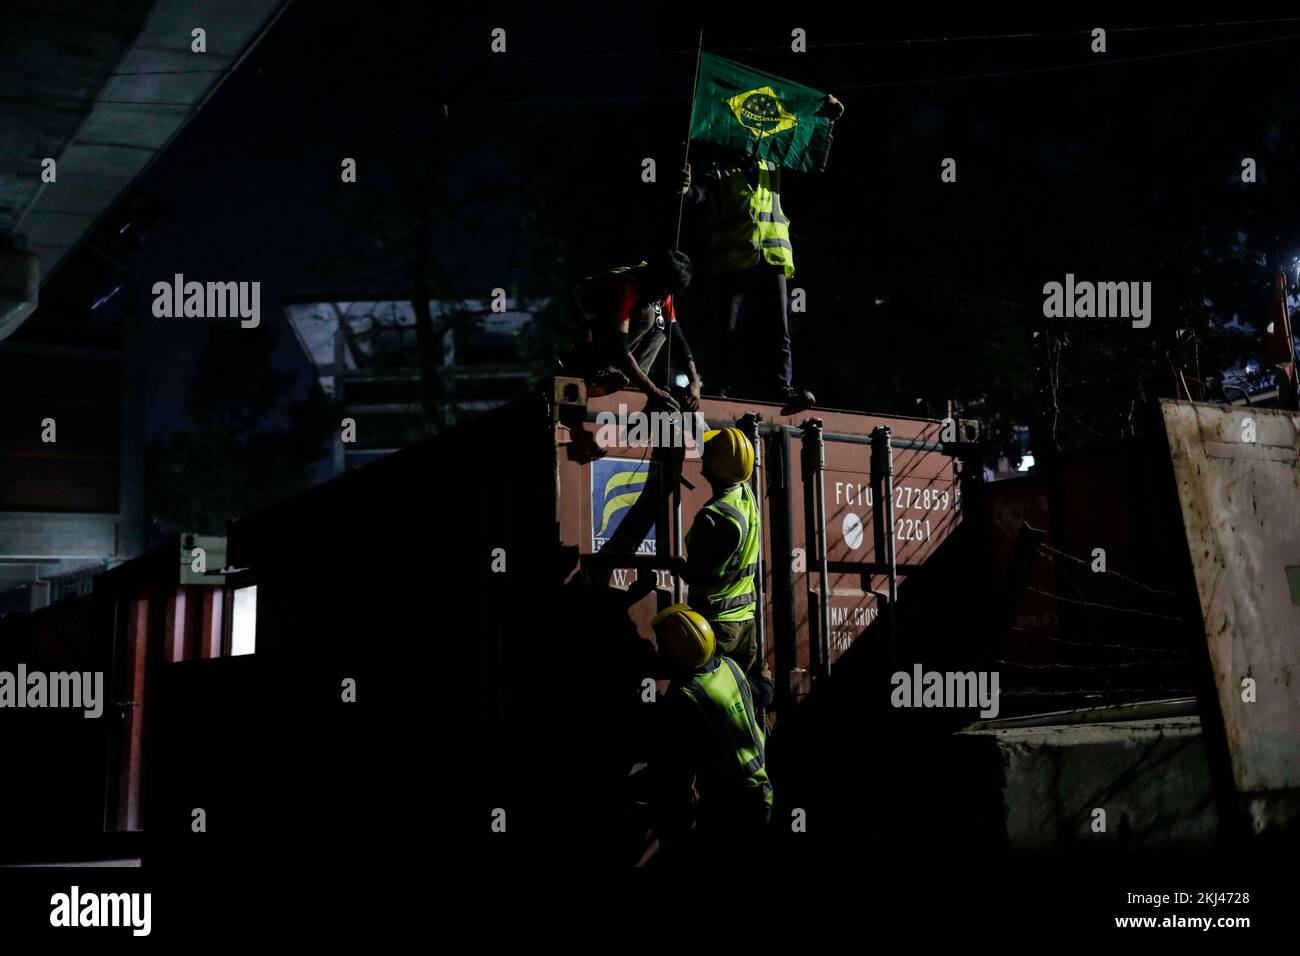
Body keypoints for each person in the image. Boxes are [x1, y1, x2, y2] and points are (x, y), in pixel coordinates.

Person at [680, 94, 845, 411]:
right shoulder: (719, 169)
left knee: (778, 329)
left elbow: (808, 153)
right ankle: (722, 389)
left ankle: (783, 388)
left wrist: (827, 120)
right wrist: (687, 189)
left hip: (772, 259)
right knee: (727, 329)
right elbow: (700, 194)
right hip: (734, 260)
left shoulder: (772, 164)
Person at [650, 604, 773, 859]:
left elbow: (678, 760)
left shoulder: (685, 694)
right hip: (763, 792)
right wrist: (766, 677)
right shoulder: (730, 667)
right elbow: (766, 694)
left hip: (726, 803)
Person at [573, 249, 701, 411]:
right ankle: (604, 370)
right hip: (588, 324)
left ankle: (634, 378)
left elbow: (677, 337)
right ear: (656, 280)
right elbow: (619, 347)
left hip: (612, 329)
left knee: (661, 324)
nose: (665, 296)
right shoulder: (626, 287)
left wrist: (695, 382)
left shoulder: (661, 293)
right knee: (647, 315)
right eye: (665, 290)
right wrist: (652, 391)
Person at [676, 427, 760, 673]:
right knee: (738, 692)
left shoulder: (712, 518)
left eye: (710, 453)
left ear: (714, 467)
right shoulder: (746, 496)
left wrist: (676, 565)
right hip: (745, 623)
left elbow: (698, 575)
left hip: (717, 626)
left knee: (706, 693)